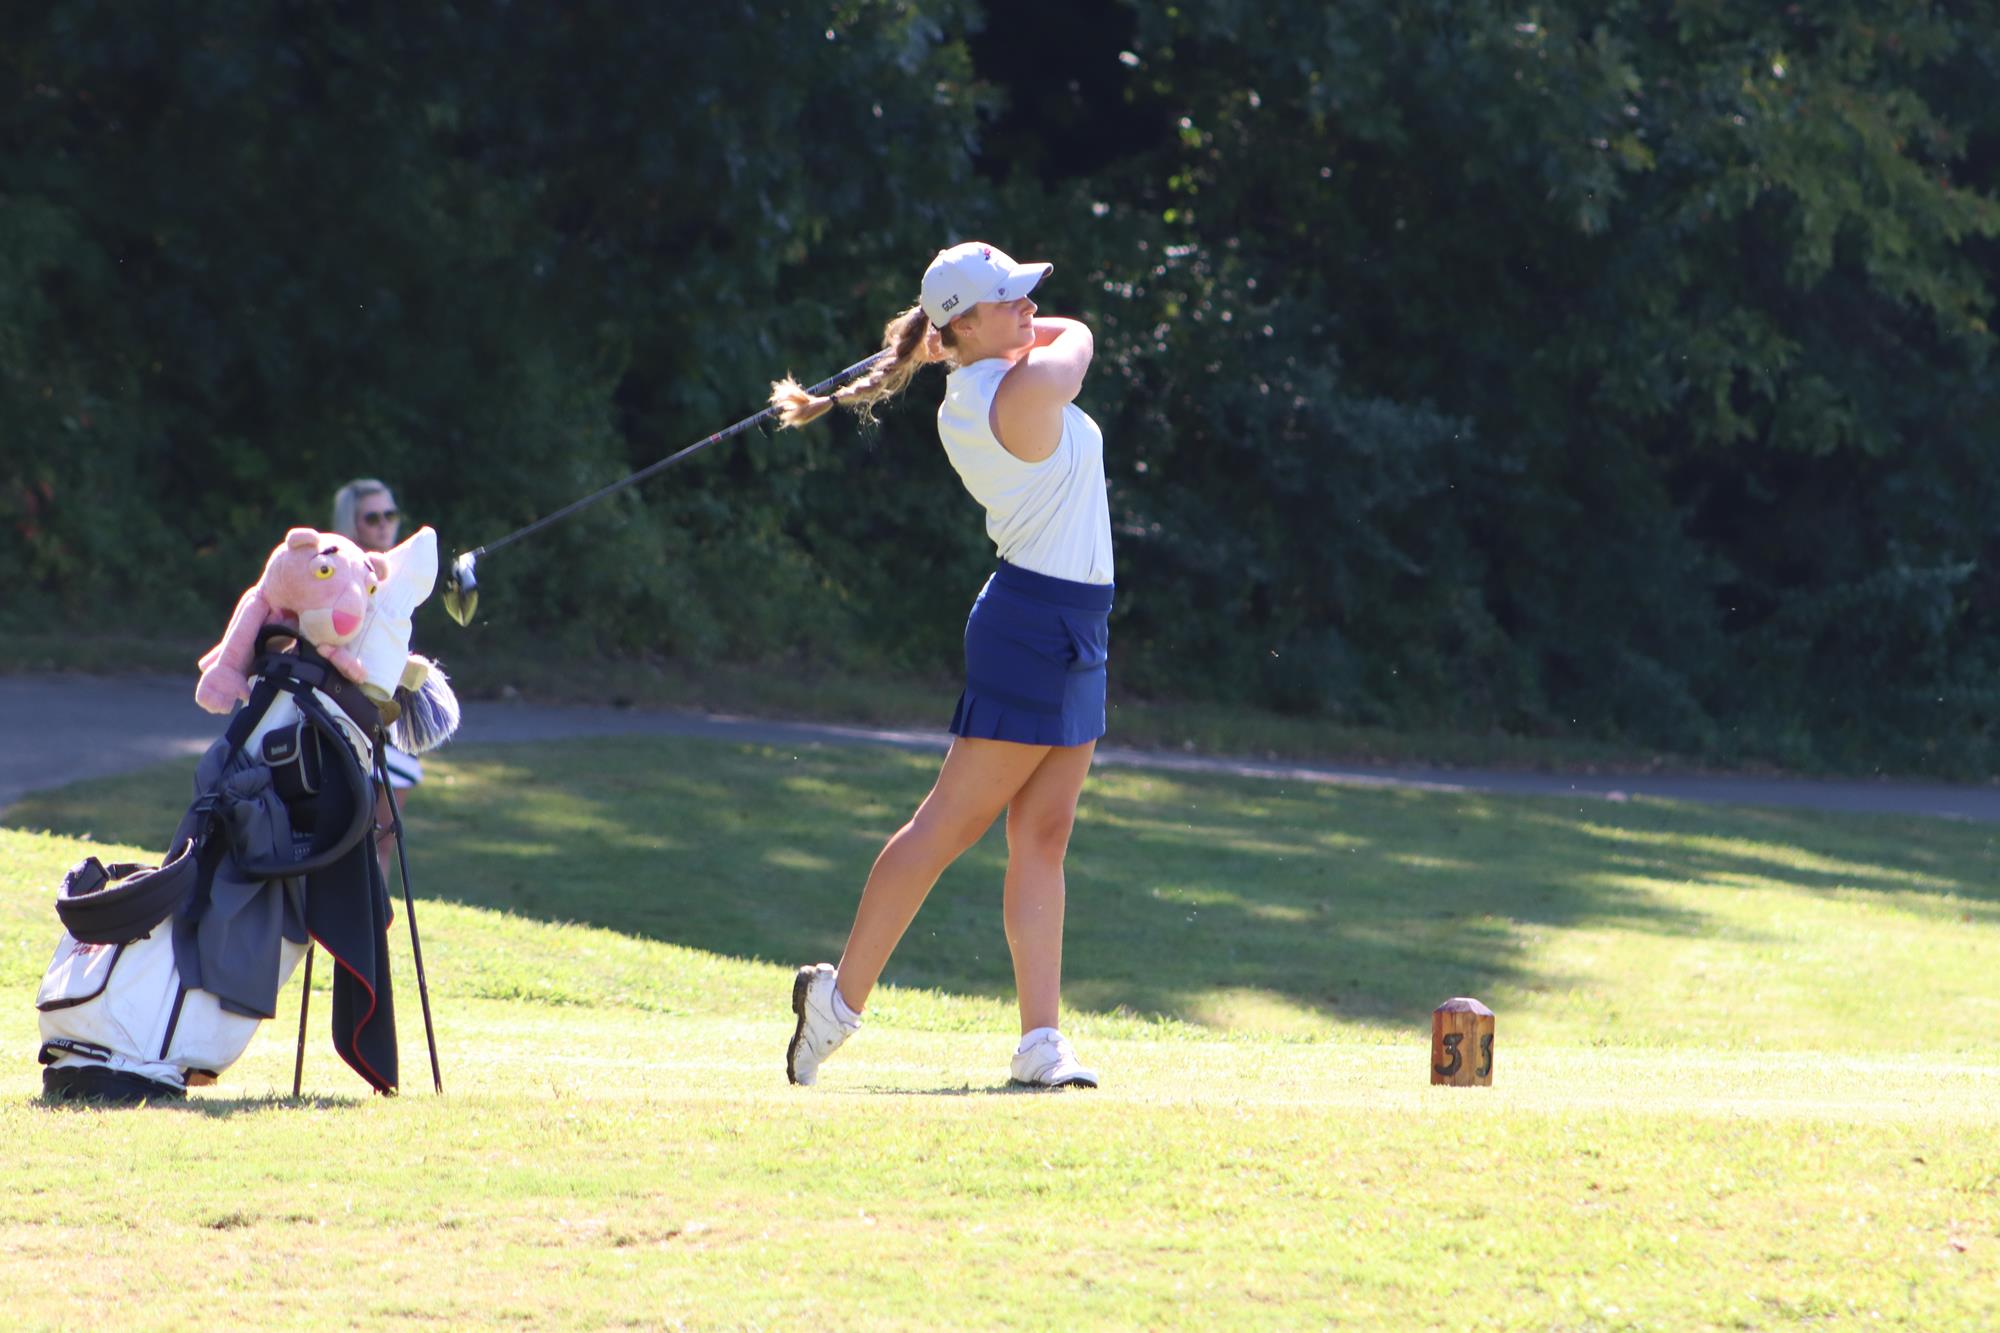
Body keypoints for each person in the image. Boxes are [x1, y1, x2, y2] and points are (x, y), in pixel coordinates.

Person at [770, 242, 1114, 1090]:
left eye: (1027, 296)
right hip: (1035, 625)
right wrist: (955, 343)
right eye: (1011, 301)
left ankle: (1042, 1042)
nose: (1032, 308)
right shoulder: (1017, 389)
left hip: (1073, 621)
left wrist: (957, 338)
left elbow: (1048, 330)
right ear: (963, 323)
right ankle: (838, 1003)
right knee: (946, 826)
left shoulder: (981, 382)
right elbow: (1082, 337)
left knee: (1044, 833)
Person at [330, 478, 422, 878]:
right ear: (352, 523)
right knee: (345, 837)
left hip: (395, 717)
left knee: (385, 837)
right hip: (347, 714)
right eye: (373, 517)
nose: (385, 525)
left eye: (391, 514)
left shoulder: (406, 574)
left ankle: (376, 934)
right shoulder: (336, 572)